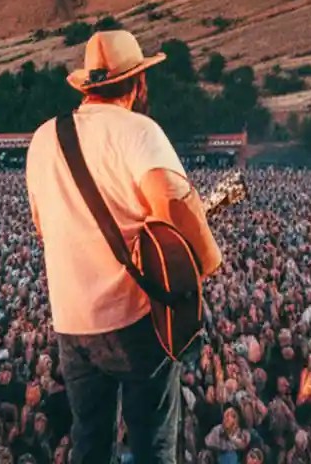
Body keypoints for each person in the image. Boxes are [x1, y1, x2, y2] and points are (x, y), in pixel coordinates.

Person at [25, 30, 223, 464]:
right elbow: (173, 201)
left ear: (88, 87)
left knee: (89, 441)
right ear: (137, 83)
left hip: (72, 322)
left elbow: (43, 226)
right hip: (134, 319)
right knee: (152, 444)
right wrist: (206, 262)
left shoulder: (43, 138)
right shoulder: (139, 131)